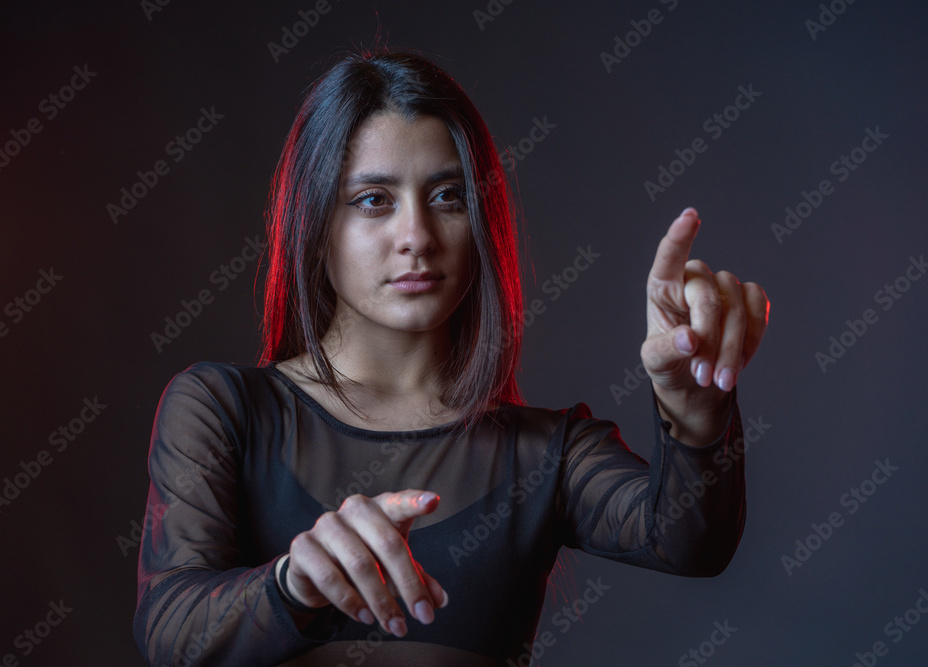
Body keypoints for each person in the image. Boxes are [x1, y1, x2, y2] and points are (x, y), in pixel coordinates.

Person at [132, 48, 769, 666]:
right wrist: (293, 583)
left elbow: (689, 542)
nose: (416, 236)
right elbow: (172, 631)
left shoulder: (550, 451)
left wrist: (696, 406)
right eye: (374, 200)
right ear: (315, 224)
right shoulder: (222, 409)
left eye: (447, 197)